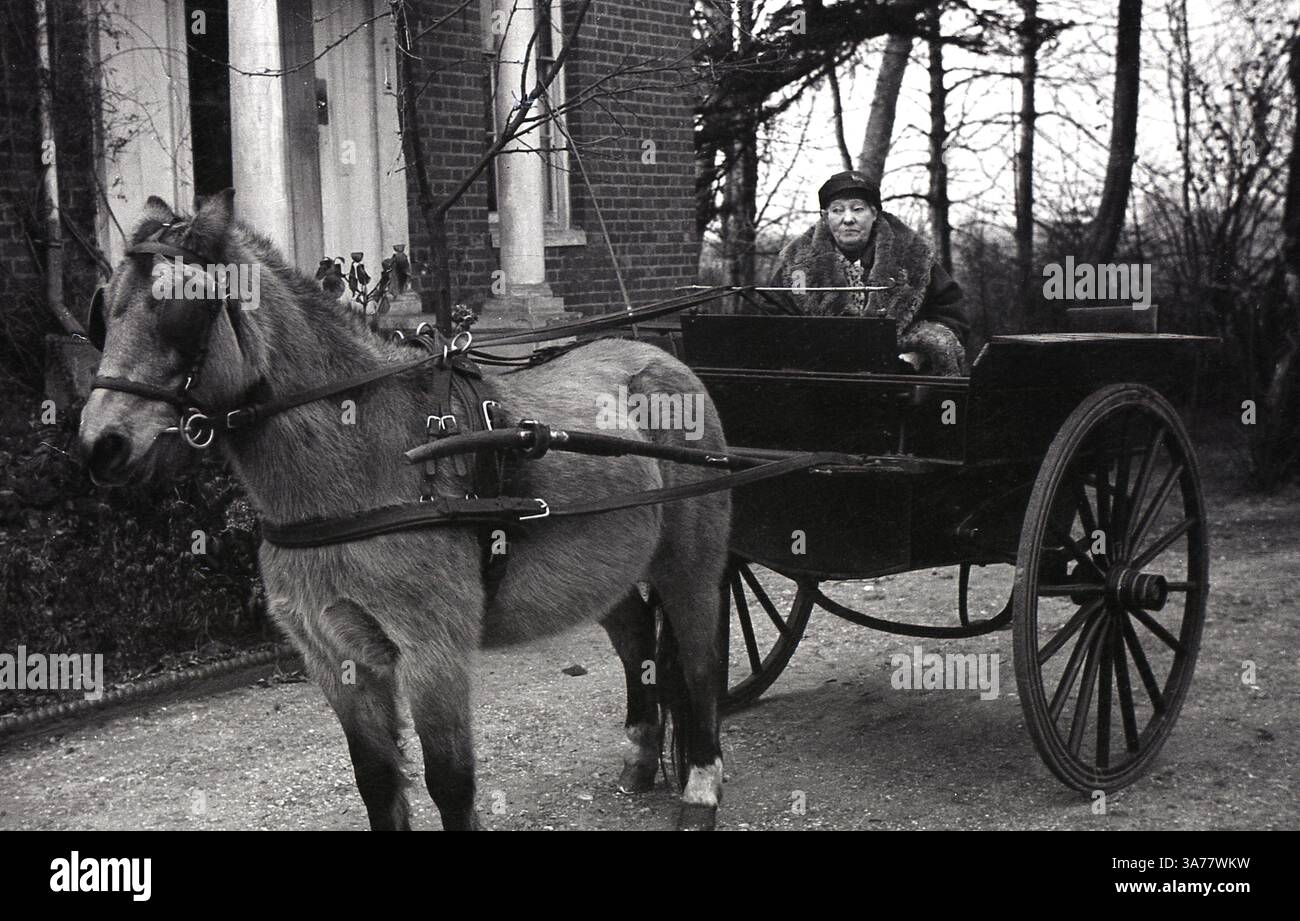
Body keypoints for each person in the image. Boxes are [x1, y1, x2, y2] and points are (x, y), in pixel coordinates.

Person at [765, 170, 970, 375]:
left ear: (874, 214)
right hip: (819, 382)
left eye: (857, 209)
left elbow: (951, 316)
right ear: (824, 217)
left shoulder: (913, 258)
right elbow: (774, 319)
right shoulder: (798, 268)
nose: (848, 219)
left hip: (899, 380)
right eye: (837, 210)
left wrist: (917, 356)